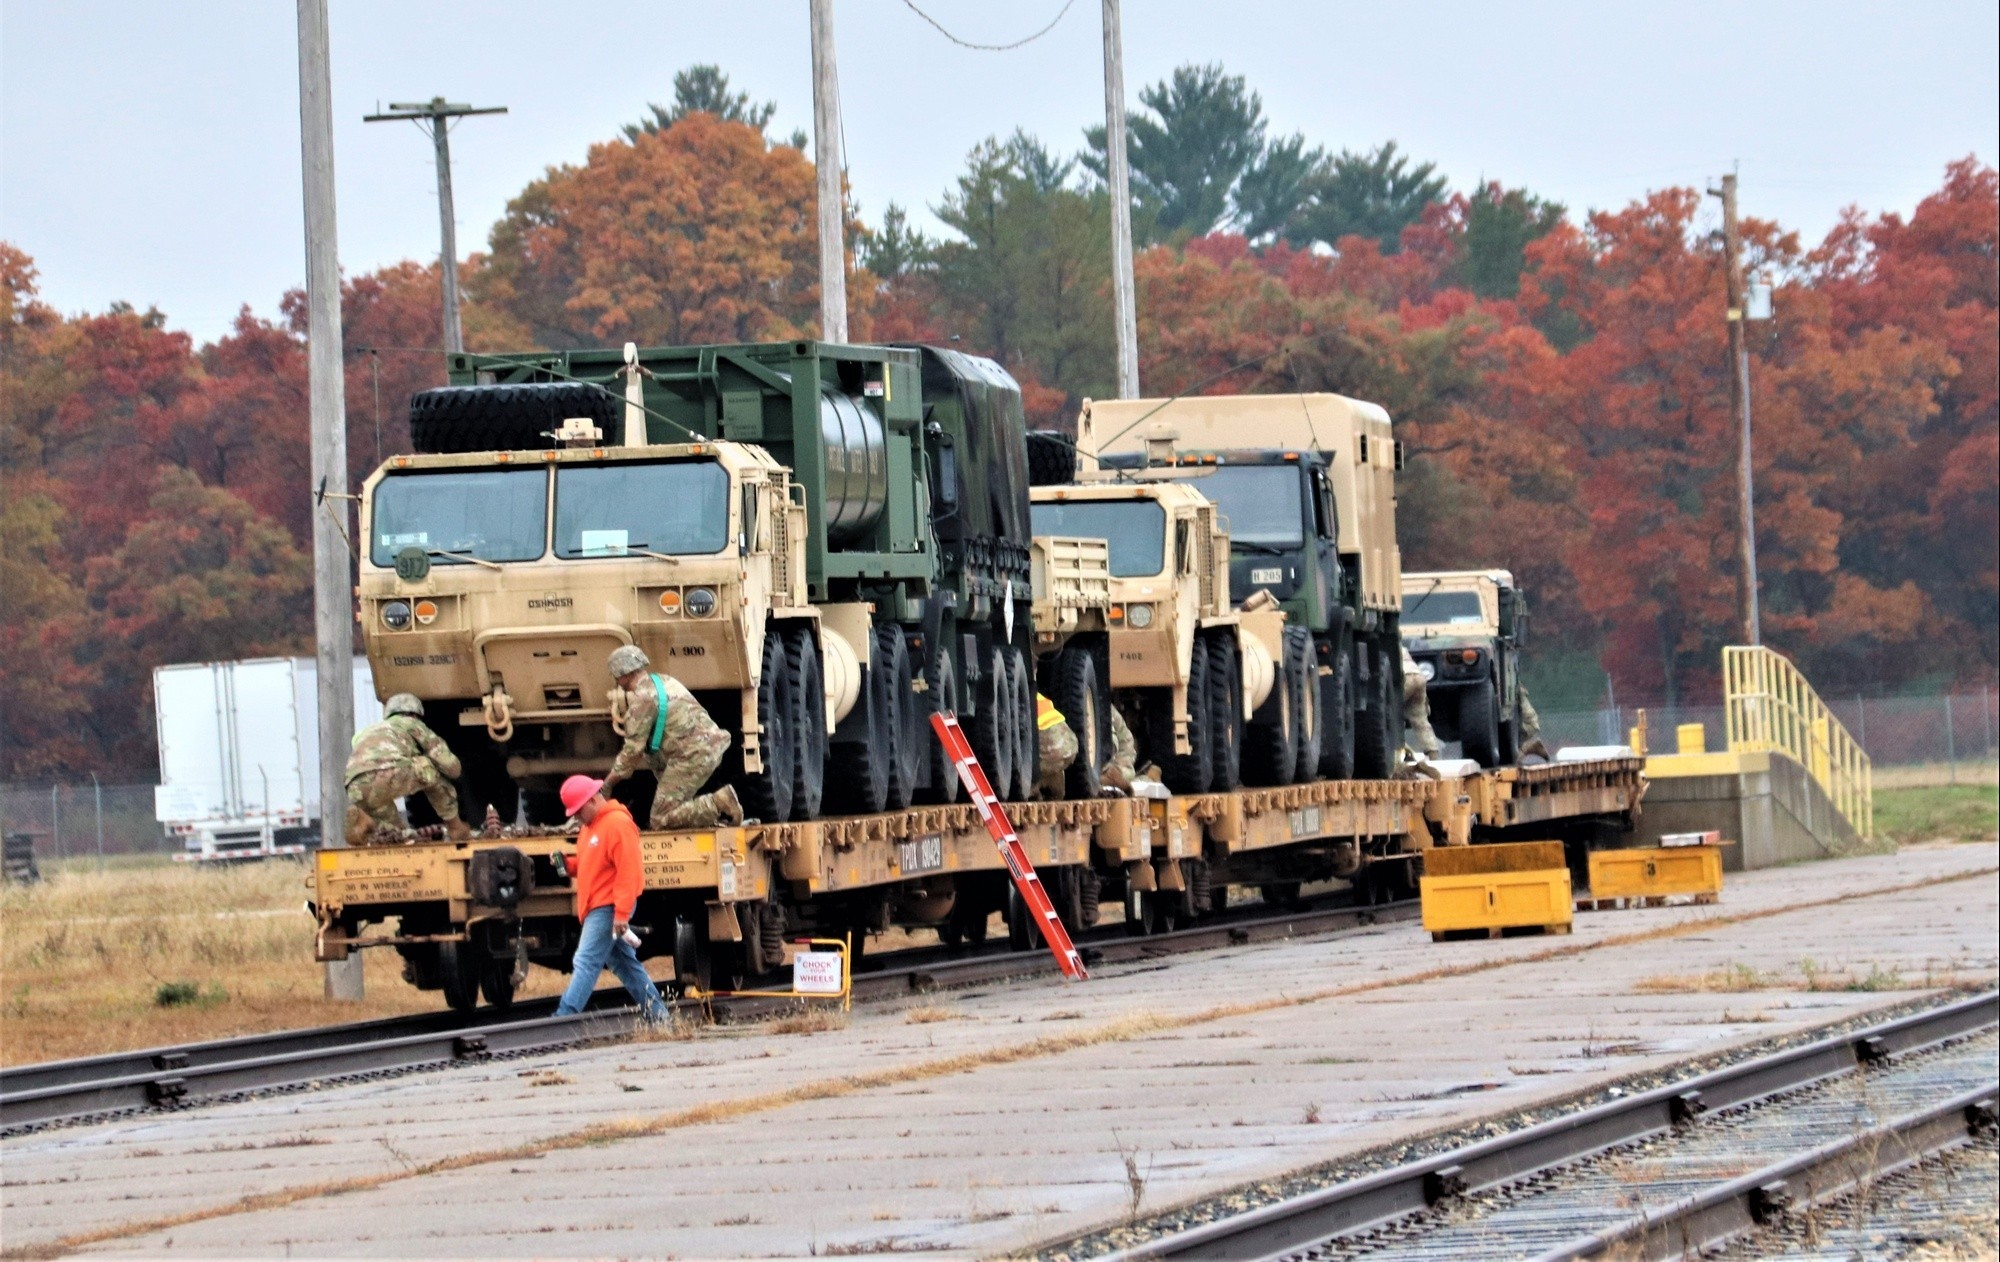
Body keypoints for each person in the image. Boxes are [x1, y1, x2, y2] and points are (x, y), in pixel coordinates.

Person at [553, 775, 670, 1020]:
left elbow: (629, 871)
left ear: (593, 800)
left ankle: (563, 1018)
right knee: (625, 965)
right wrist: (569, 865)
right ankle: (660, 1018)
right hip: (601, 906)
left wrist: (621, 913)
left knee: (585, 960)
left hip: (607, 907)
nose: (575, 817)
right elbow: (593, 864)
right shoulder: (590, 828)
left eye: (577, 811)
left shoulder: (617, 824)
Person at [602, 645, 743, 829]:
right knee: (676, 807)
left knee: (660, 819)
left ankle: (718, 803)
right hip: (706, 747)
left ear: (623, 674)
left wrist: (608, 783)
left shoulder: (642, 700)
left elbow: (632, 751)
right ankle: (709, 820)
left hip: (690, 755)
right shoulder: (664, 681)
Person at [344, 693, 470, 844]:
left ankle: (366, 823)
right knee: (427, 766)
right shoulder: (411, 723)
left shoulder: (368, 731)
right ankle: (455, 827)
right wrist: (457, 772)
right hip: (388, 773)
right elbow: (450, 765)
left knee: (396, 834)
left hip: (354, 786)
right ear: (414, 713)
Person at [1035, 693, 1080, 798]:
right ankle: (1056, 795)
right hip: (1071, 744)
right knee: (1055, 764)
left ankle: (1035, 792)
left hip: (1051, 747)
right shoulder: (1034, 693)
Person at [1401, 647, 1441, 760]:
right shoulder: (1403, 648)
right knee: (1420, 719)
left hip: (1404, 677)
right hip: (1418, 677)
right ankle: (1433, 754)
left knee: (1390, 717)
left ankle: (1405, 751)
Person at [1517, 683, 1552, 761]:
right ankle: (1532, 747)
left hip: (1529, 724)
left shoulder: (1517, 689)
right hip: (1530, 723)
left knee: (1514, 757)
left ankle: (1531, 748)